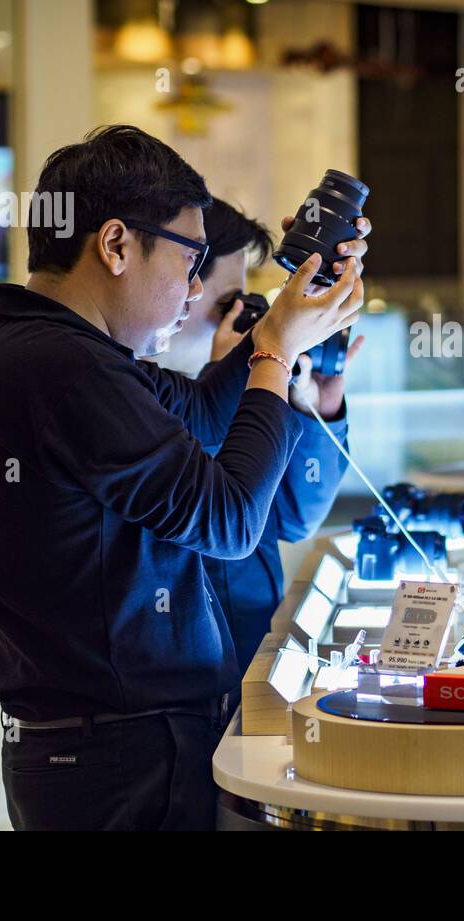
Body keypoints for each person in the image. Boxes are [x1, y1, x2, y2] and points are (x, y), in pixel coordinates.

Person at [0, 125, 369, 830]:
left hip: (109, 753)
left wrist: (291, 320)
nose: (195, 286)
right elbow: (230, 520)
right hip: (119, 762)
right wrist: (274, 359)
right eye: (190, 259)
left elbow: (200, 411)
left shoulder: (48, 350)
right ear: (115, 244)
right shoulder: (60, 368)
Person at [158, 197, 359, 677]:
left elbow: (296, 517)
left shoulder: (259, 379)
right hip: (196, 669)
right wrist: (228, 376)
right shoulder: (140, 392)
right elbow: (214, 516)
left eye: (252, 305)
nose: (248, 322)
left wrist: (320, 406)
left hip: (255, 648)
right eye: (232, 306)